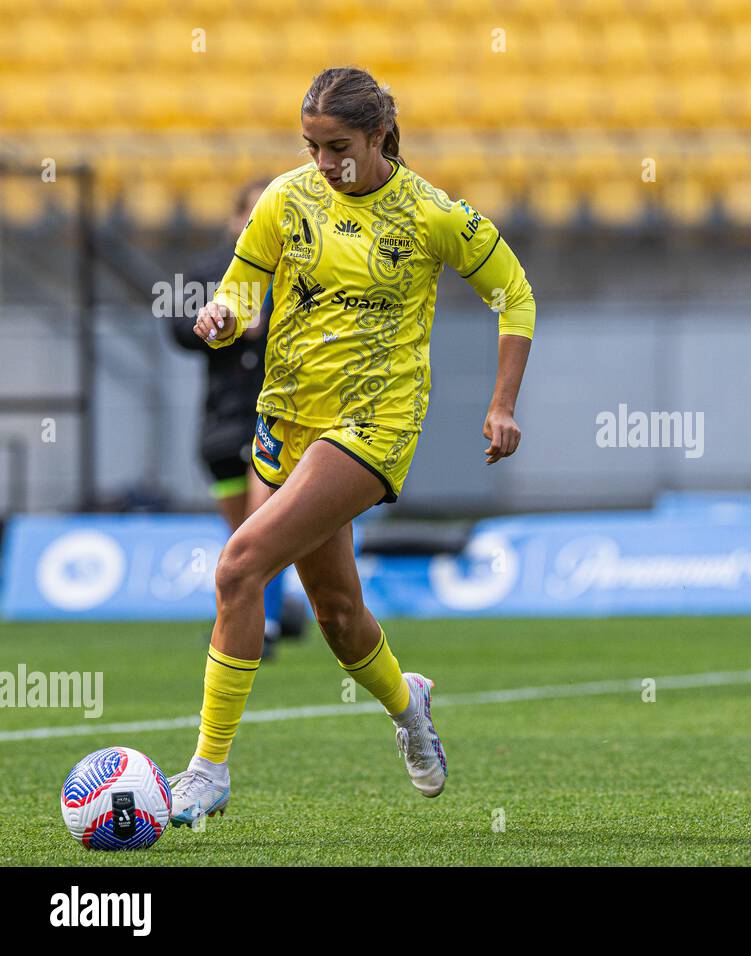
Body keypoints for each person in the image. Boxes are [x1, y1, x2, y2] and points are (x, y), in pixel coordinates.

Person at [166, 67, 536, 826]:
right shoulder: (284, 198)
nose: (323, 163)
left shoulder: (431, 214)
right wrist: (223, 317)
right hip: (287, 421)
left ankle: (208, 767)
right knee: (337, 613)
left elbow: (515, 294)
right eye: (311, 146)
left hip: (374, 426)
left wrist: (502, 403)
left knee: (239, 565)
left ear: (377, 136)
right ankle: (410, 705)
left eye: (337, 147)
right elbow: (242, 284)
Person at [165, 180, 297, 659]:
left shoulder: (299, 270)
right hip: (222, 420)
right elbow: (177, 328)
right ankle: (247, 617)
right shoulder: (207, 273)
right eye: (251, 212)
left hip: (279, 412)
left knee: (263, 521)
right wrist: (220, 325)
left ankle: (268, 625)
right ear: (235, 218)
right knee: (242, 533)